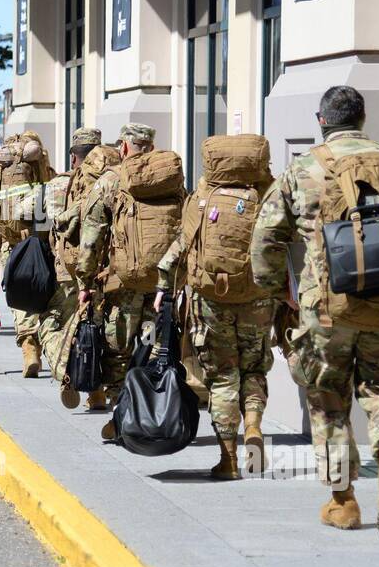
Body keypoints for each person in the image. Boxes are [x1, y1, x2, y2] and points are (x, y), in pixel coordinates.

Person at [251, 86, 379, 539]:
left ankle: (344, 501)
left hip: (327, 308)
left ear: (322, 120)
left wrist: (277, 289)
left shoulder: (303, 168)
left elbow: (266, 239)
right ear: (362, 118)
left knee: (327, 395)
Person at [156, 134, 276, 480]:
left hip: (211, 300)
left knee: (223, 375)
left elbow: (181, 246)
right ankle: (253, 424)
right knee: (254, 367)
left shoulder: (202, 197)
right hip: (257, 298)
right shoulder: (266, 196)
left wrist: (164, 286)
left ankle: (229, 459)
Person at [76, 124, 186, 427]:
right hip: (161, 287)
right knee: (152, 343)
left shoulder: (112, 180)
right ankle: (149, 408)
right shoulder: (173, 179)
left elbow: (92, 234)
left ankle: (119, 410)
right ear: (150, 147)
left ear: (124, 147)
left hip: (123, 284)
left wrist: (85, 282)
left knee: (118, 349)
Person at [0, 131, 55, 376]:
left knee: (20, 296)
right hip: (42, 243)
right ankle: (52, 348)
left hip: (12, 245)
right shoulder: (44, 173)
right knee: (48, 295)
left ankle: (29, 348)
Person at [50, 127, 118, 409]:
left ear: (73, 156)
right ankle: (106, 393)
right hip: (118, 263)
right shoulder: (116, 172)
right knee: (109, 329)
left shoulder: (79, 179)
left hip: (85, 263)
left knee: (82, 325)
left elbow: (77, 224)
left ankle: (80, 381)